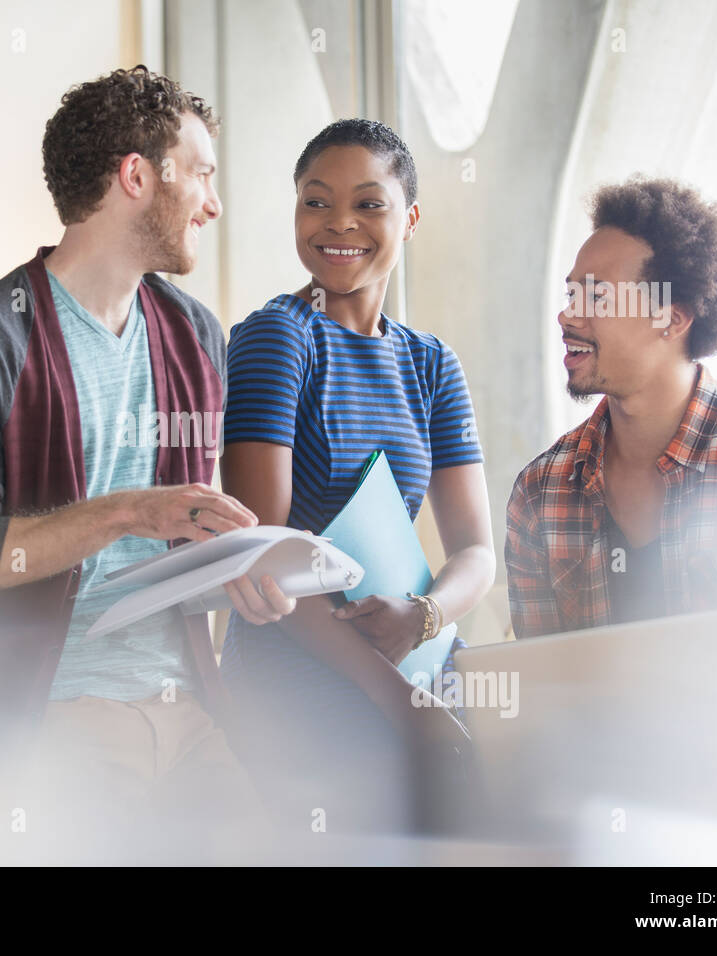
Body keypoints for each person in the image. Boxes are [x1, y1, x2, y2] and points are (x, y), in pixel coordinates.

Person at [0, 66, 294, 850]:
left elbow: (174, 536)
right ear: (136, 176)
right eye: (203, 176)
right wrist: (126, 511)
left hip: (191, 715)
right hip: (54, 722)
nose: (213, 204)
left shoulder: (196, 336)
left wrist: (235, 570)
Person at [220, 119, 495, 833]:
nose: (339, 223)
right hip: (301, 687)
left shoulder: (432, 364)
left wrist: (424, 619)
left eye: (369, 204)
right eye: (316, 202)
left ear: (409, 218)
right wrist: (395, 700)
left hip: (415, 664)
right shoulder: (277, 338)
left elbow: (475, 551)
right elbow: (264, 559)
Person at [505, 176, 717, 758]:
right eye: (571, 293)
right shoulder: (540, 492)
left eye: (596, 297)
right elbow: (538, 702)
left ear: (672, 320)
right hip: (593, 822)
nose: (568, 316)